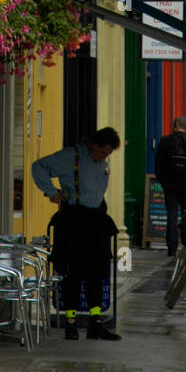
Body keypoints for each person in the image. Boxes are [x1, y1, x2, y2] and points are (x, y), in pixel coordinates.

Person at [32, 127, 121, 340]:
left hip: (96, 220)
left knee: (97, 271)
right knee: (74, 271)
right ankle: (70, 323)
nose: (104, 158)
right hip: (75, 220)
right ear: (93, 145)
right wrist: (52, 193)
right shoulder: (70, 156)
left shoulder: (101, 162)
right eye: (103, 153)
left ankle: (95, 323)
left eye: (108, 154)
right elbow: (39, 167)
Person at [155, 116, 186, 258]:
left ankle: (172, 247)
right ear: (185, 127)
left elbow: (159, 165)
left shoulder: (165, 141)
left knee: (172, 216)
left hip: (170, 185)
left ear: (174, 125)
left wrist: (164, 182)